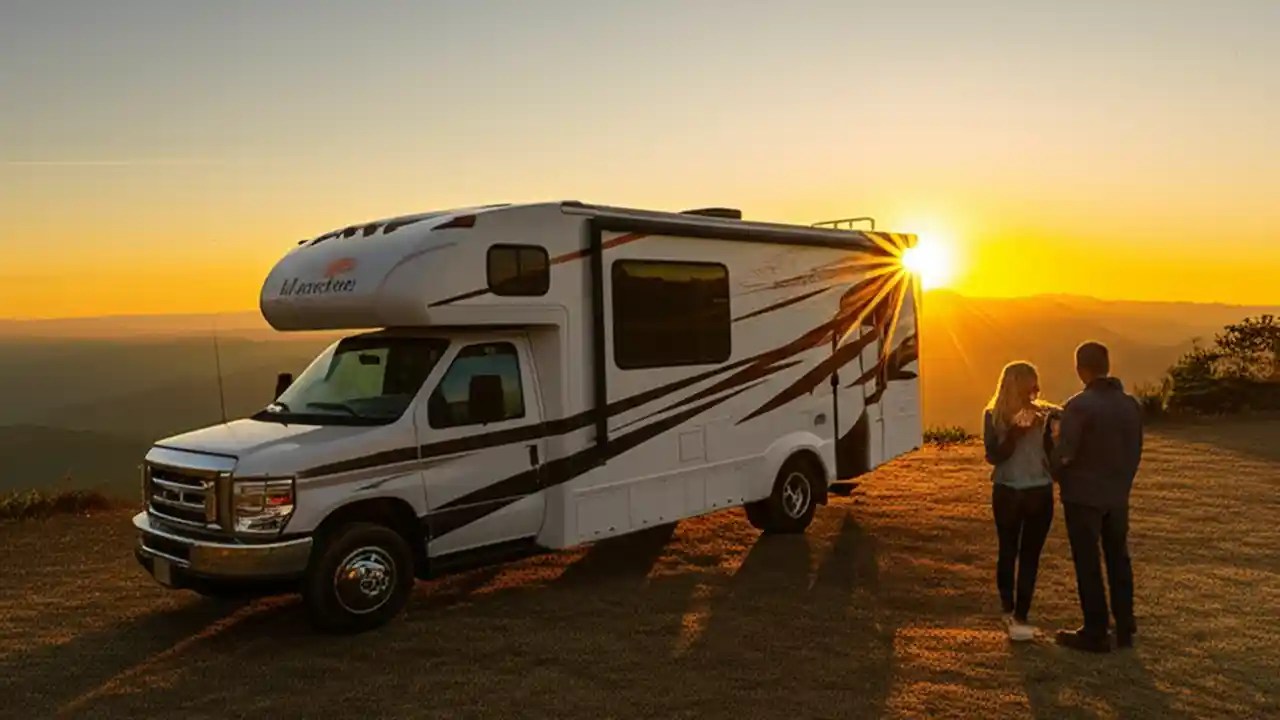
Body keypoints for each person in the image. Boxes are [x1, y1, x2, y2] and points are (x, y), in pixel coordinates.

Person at [1049, 341, 1144, 653]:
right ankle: (1125, 624)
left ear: (1081, 369)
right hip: (1117, 496)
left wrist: (1053, 470)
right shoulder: (1130, 404)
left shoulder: (1078, 406)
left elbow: (1066, 453)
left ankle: (1095, 630)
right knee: (1119, 558)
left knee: (1088, 562)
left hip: (1082, 496)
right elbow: (1135, 450)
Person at [982, 361, 1058, 642]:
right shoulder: (996, 416)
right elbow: (995, 455)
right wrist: (1016, 433)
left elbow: (994, 456)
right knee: (1022, 553)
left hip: (1013, 489)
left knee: (1013, 550)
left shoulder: (1043, 415)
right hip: (1031, 489)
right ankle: (1017, 612)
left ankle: (1012, 610)